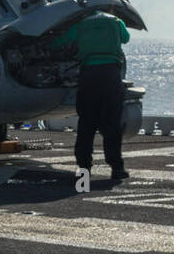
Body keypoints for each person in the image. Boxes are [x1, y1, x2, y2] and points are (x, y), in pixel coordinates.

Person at [54, 12, 130, 181]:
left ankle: (84, 169)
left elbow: (60, 42)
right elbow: (126, 38)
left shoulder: (81, 24)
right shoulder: (116, 21)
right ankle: (117, 168)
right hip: (111, 74)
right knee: (112, 124)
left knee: (87, 124)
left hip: (89, 74)